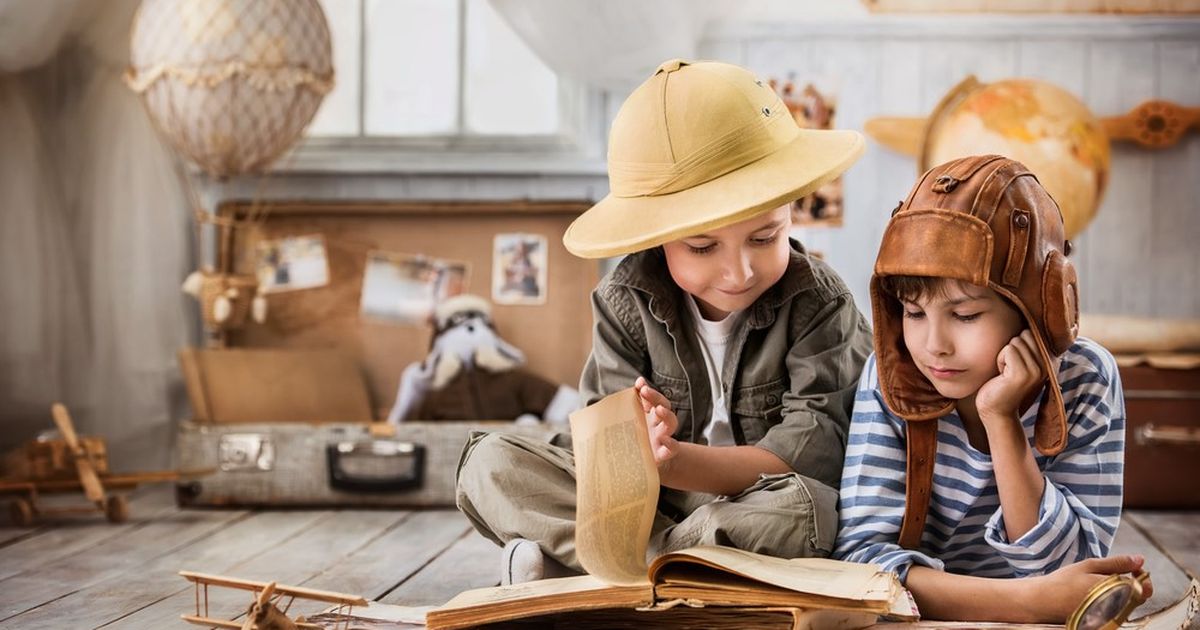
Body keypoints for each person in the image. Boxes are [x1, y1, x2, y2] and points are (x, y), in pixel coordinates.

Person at [455, 58, 873, 585]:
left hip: (754, 504)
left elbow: (816, 454)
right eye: (702, 246)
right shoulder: (623, 301)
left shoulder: (821, 305)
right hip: (648, 506)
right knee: (487, 462)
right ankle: (671, 563)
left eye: (765, 237)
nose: (739, 270)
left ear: (791, 211)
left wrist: (678, 462)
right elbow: (605, 454)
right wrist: (635, 445)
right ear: (658, 236)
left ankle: (610, 565)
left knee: (809, 510)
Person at [833, 154, 1151, 623]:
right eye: (914, 313)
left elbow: (1069, 569)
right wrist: (1029, 601)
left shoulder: (1086, 378)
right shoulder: (890, 373)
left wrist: (1002, 421)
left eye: (965, 316)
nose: (933, 346)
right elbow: (858, 563)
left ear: (1038, 310)